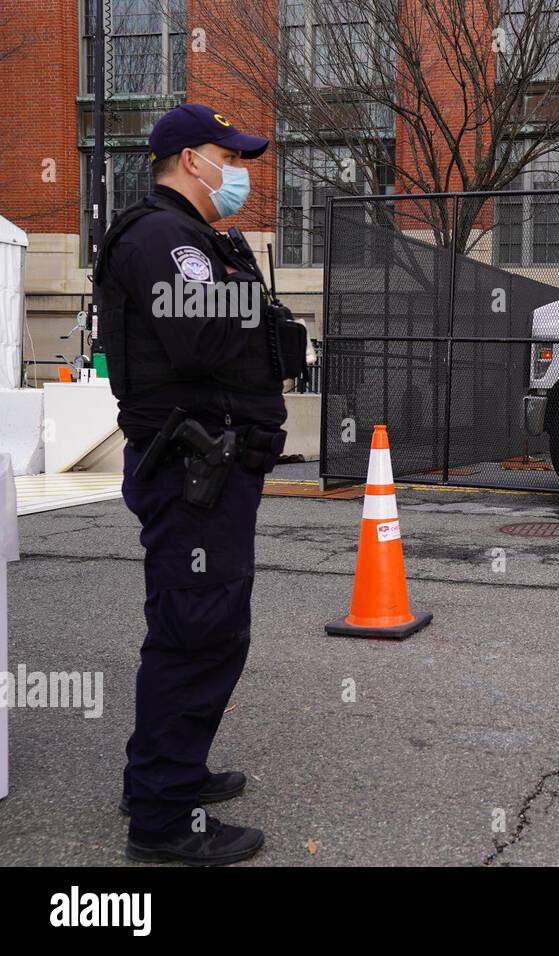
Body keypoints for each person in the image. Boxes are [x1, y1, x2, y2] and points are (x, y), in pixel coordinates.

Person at [93, 103, 306, 865]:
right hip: (195, 468)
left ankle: (162, 775)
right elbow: (201, 336)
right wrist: (245, 289)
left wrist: (235, 274)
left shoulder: (193, 237)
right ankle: (161, 816)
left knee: (195, 627)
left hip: (207, 465)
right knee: (198, 634)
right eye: (231, 156)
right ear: (190, 159)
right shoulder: (162, 238)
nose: (240, 172)